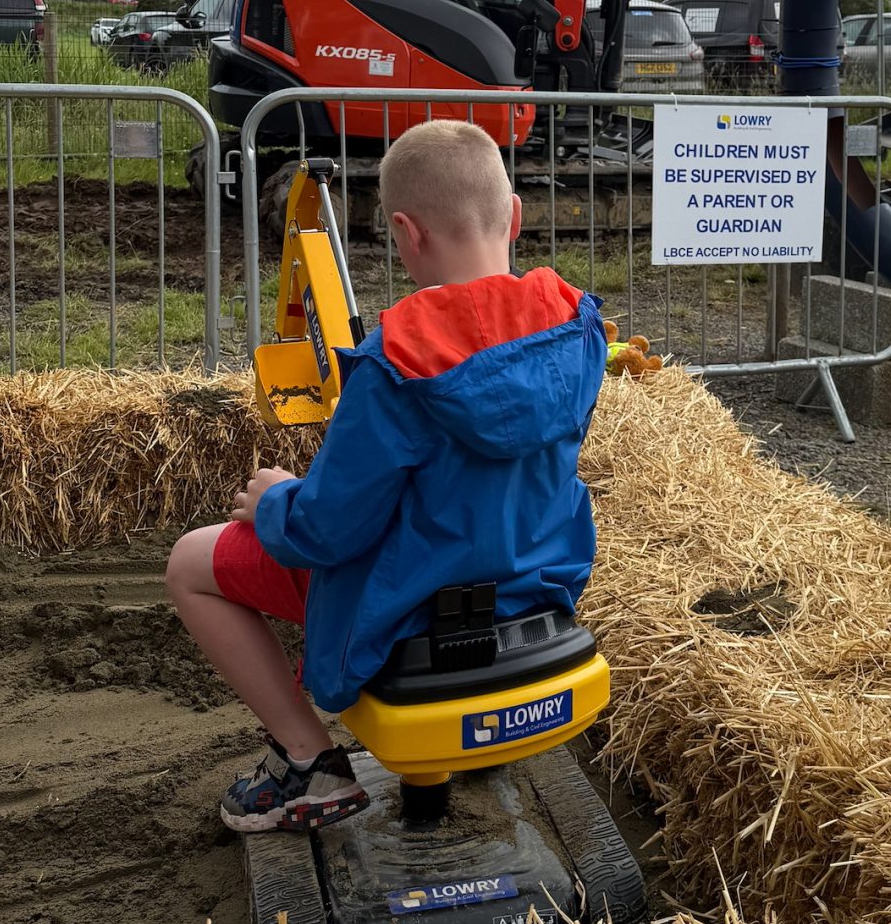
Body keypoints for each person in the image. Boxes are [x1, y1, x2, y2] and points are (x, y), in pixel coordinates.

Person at [165, 120, 608, 831]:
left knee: (190, 562)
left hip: (406, 612)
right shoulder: (577, 328)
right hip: (534, 602)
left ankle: (309, 765)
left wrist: (277, 500)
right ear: (515, 215)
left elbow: (327, 533)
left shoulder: (393, 364)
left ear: (405, 233)